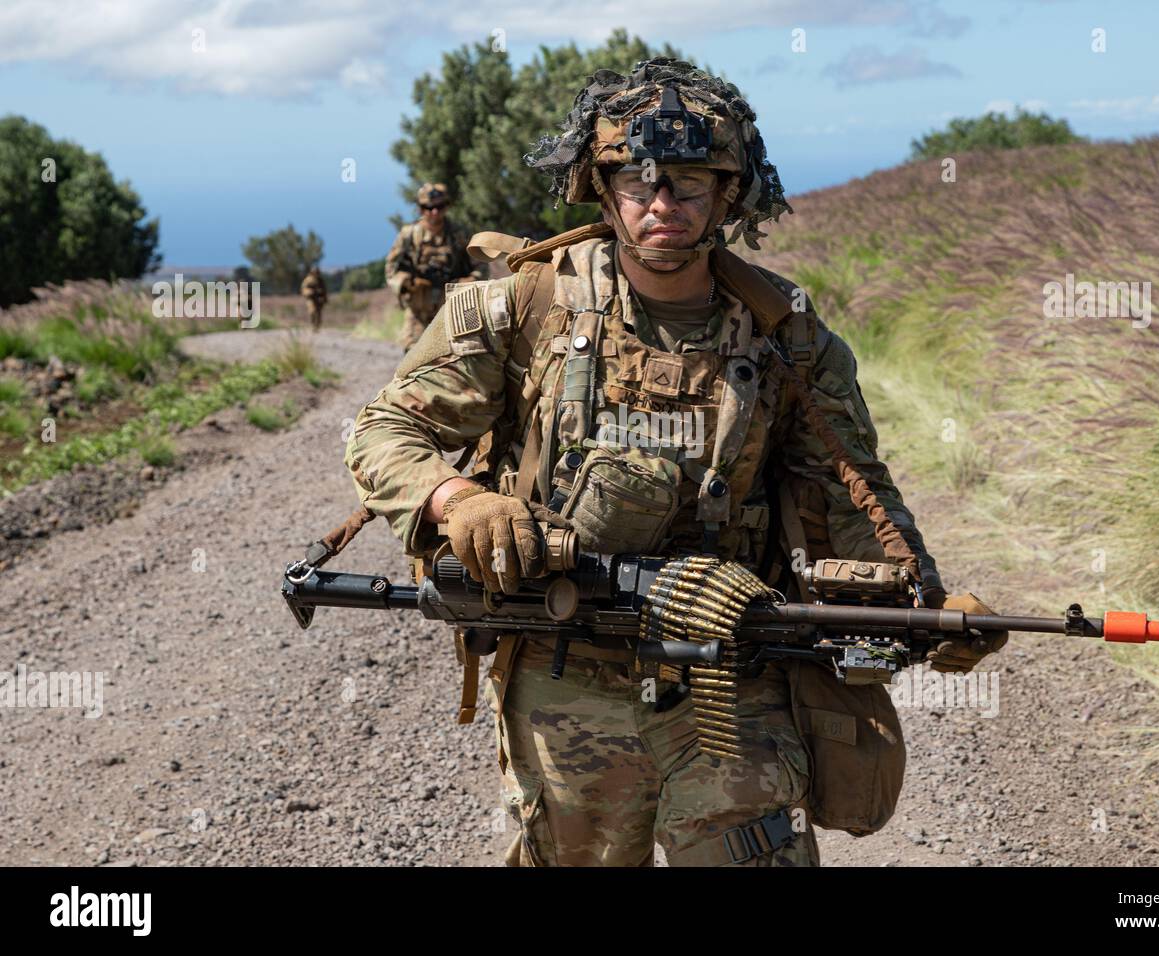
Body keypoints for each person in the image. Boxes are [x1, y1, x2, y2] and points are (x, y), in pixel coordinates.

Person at [345, 59, 1006, 866]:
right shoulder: (521, 307)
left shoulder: (786, 336)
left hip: (732, 671)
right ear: (601, 184)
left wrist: (918, 608)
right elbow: (381, 432)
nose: (662, 204)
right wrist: (458, 501)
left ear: (731, 195)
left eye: (690, 183)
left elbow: (851, 492)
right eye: (639, 180)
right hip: (567, 666)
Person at [384, 182, 483, 351]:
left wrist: (470, 280)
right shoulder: (409, 234)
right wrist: (407, 282)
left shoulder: (460, 233)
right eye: (428, 207)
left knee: (462, 354)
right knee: (413, 357)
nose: (434, 212)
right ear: (421, 209)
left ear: (446, 207)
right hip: (418, 311)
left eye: (439, 206)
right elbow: (391, 269)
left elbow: (480, 263)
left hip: (454, 309)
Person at [299, 265, 328, 331]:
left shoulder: (320, 280)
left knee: (319, 313)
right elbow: (304, 289)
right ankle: (312, 325)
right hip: (311, 299)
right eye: (315, 272)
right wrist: (310, 292)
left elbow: (324, 290)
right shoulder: (308, 280)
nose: (316, 273)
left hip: (319, 299)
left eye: (317, 272)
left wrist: (325, 298)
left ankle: (317, 326)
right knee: (312, 312)